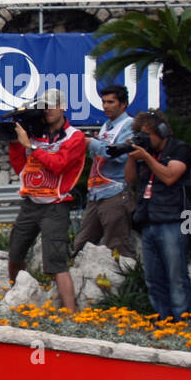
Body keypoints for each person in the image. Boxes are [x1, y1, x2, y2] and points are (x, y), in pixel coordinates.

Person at [6, 89, 86, 312]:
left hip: (56, 205)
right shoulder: (34, 134)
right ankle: (14, 296)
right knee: (15, 252)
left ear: (63, 106)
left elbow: (59, 164)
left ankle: (72, 314)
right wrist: (16, 143)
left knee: (56, 261)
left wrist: (31, 147)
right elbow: (21, 168)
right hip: (31, 202)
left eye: (52, 105)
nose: (48, 110)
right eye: (45, 106)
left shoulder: (75, 137)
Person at [127, 112, 191, 320]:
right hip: (149, 219)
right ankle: (164, 319)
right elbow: (130, 179)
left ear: (162, 132)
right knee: (153, 277)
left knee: (176, 276)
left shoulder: (179, 149)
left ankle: (183, 322)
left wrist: (146, 157)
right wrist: (131, 155)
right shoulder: (146, 153)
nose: (144, 139)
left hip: (175, 219)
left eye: (147, 135)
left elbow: (170, 176)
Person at [73, 83, 136, 256]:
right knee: (81, 244)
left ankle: (125, 281)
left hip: (115, 191)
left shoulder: (130, 125)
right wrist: (95, 145)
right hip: (96, 193)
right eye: (104, 102)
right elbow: (100, 155)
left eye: (111, 102)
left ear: (123, 104)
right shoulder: (107, 126)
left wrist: (92, 143)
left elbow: (122, 155)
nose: (106, 106)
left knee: (117, 245)